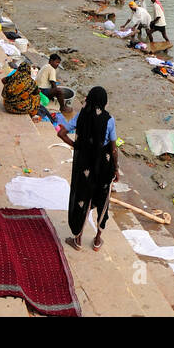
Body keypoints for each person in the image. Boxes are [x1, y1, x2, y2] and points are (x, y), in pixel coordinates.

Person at [56, 87, 118, 251]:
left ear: (88, 99)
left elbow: (61, 134)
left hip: (85, 165)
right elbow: (113, 149)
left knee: (83, 198)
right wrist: (116, 169)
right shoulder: (109, 120)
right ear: (104, 102)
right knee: (103, 200)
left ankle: (77, 239)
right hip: (103, 166)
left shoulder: (81, 116)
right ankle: (97, 240)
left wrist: (76, 146)